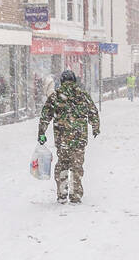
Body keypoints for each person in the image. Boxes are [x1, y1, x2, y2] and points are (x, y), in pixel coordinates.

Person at [37, 68, 99, 203]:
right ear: (74, 80)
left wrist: (41, 134)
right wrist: (95, 127)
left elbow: (45, 116)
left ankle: (62, 193)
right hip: (79, 138)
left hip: (62, 138)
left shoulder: (55, 96)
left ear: (62, 81)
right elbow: (93, 112)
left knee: (63, 164)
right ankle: (76, 194)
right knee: (77, 167)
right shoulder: (82, 95)